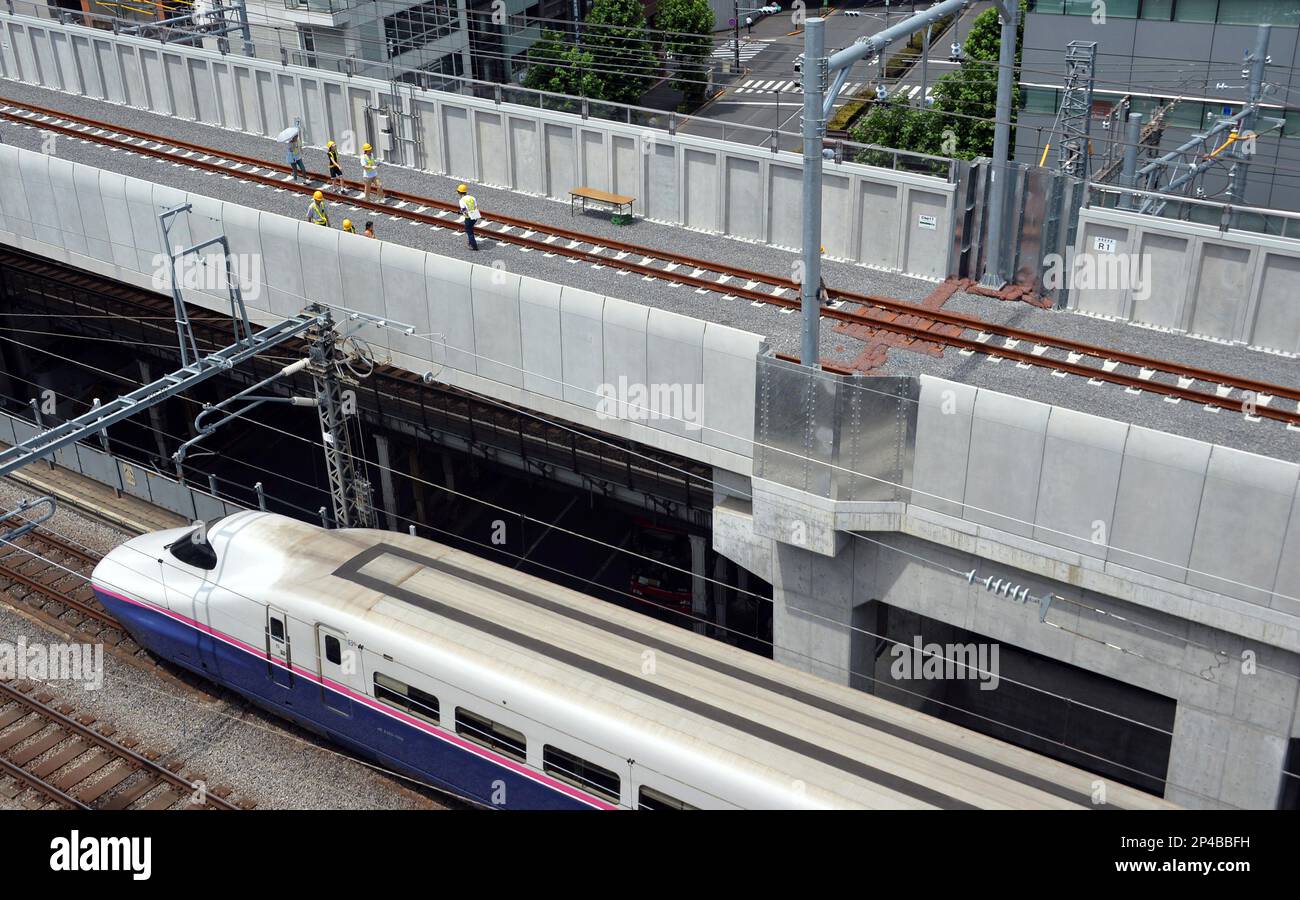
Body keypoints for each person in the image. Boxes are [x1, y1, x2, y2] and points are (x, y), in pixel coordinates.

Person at [457, 183, 481, 251]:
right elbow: (476, 206)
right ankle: (471, 242)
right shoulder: (472, 197)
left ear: (459, 192)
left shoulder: (461, 200)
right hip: (475, 216)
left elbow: (464, 209)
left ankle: (474, 246)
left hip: (468, 218)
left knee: (469, 232)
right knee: (471, 229)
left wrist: (461, 212)